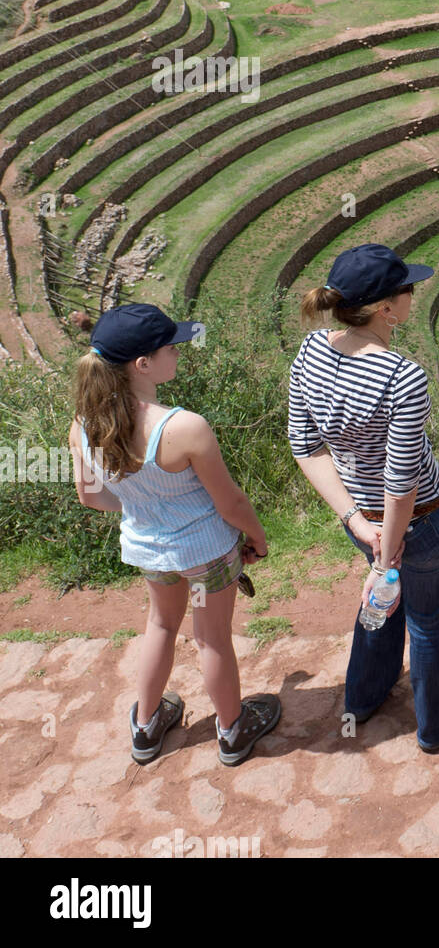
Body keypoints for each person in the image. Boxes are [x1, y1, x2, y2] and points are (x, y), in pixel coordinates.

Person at [70, 304, 279, 767]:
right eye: (172, 347)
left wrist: (145, 508)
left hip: (149, 550)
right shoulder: (183, 427)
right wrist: (257, 537)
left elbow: (92, 497)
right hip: (205, 553)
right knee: (211, 639)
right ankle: (231, 730)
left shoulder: (83, 426)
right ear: (143, 364)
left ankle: (146, 728)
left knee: (161, 625)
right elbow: (231, 504)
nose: (178, 353)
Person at [289, 244, 439, 752]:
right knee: (427, 620)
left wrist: (355, 522)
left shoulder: (310, 351)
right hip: (420, 519)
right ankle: (438, 722)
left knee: (380, 604)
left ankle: (364, 697)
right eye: (407, 289)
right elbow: (402, 480)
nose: (413, 296)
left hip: (362, 518)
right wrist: (387, 552)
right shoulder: (401, 376)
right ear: (385, 309)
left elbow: (304, 446)